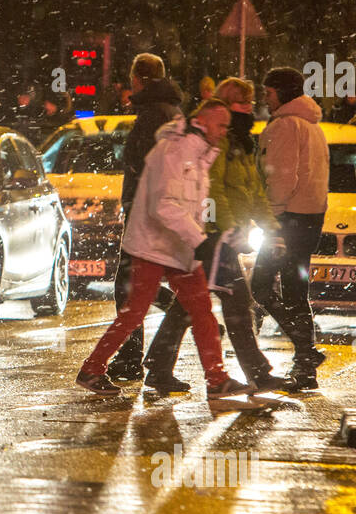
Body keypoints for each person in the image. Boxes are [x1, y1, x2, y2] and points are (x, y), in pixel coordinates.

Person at [75, 100, 248, 399]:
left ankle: (217, 379)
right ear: (203, 123)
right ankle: (92, 368)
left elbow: (186, 206)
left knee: (201, 310)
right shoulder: (175, 152)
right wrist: (200, 241)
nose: (225, 131)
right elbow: (164, 206)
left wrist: (199, 240)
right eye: (221, 125)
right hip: (153, 246)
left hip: (179, 247)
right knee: (137, 312)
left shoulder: (196, 154)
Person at [142, 78, 293, 392]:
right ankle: (252, 373)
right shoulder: (220, 143)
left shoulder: (239, 142)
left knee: (191, 303)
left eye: (252, 103)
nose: (249, 109)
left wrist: (272, 228)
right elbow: (215, 191)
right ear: (226, 107)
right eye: (243, 103)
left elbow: (252, 192)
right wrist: (227, 228)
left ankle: (158, 364)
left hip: (223, 234)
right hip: (211, 235)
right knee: (235, 304)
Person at [104, 53, 182, 381]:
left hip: (145, 211)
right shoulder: (169, 111)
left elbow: (142, 162)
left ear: (138, 78)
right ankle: (140, 354)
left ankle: (132, 355)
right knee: (143, 282)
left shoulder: (152, 114)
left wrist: (136, 202)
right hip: (157, 209)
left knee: (128, 284)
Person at [252, 67, 329, 390]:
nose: (265, 99)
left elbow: (282, 176)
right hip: (309, 217)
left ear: (282, 93)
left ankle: (306, 352)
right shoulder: (312, 126)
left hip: (287, 219)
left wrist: (271, 218)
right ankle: (306, 366)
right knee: (297, 291)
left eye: (269, 93)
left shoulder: (285, 126)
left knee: (260, 285)